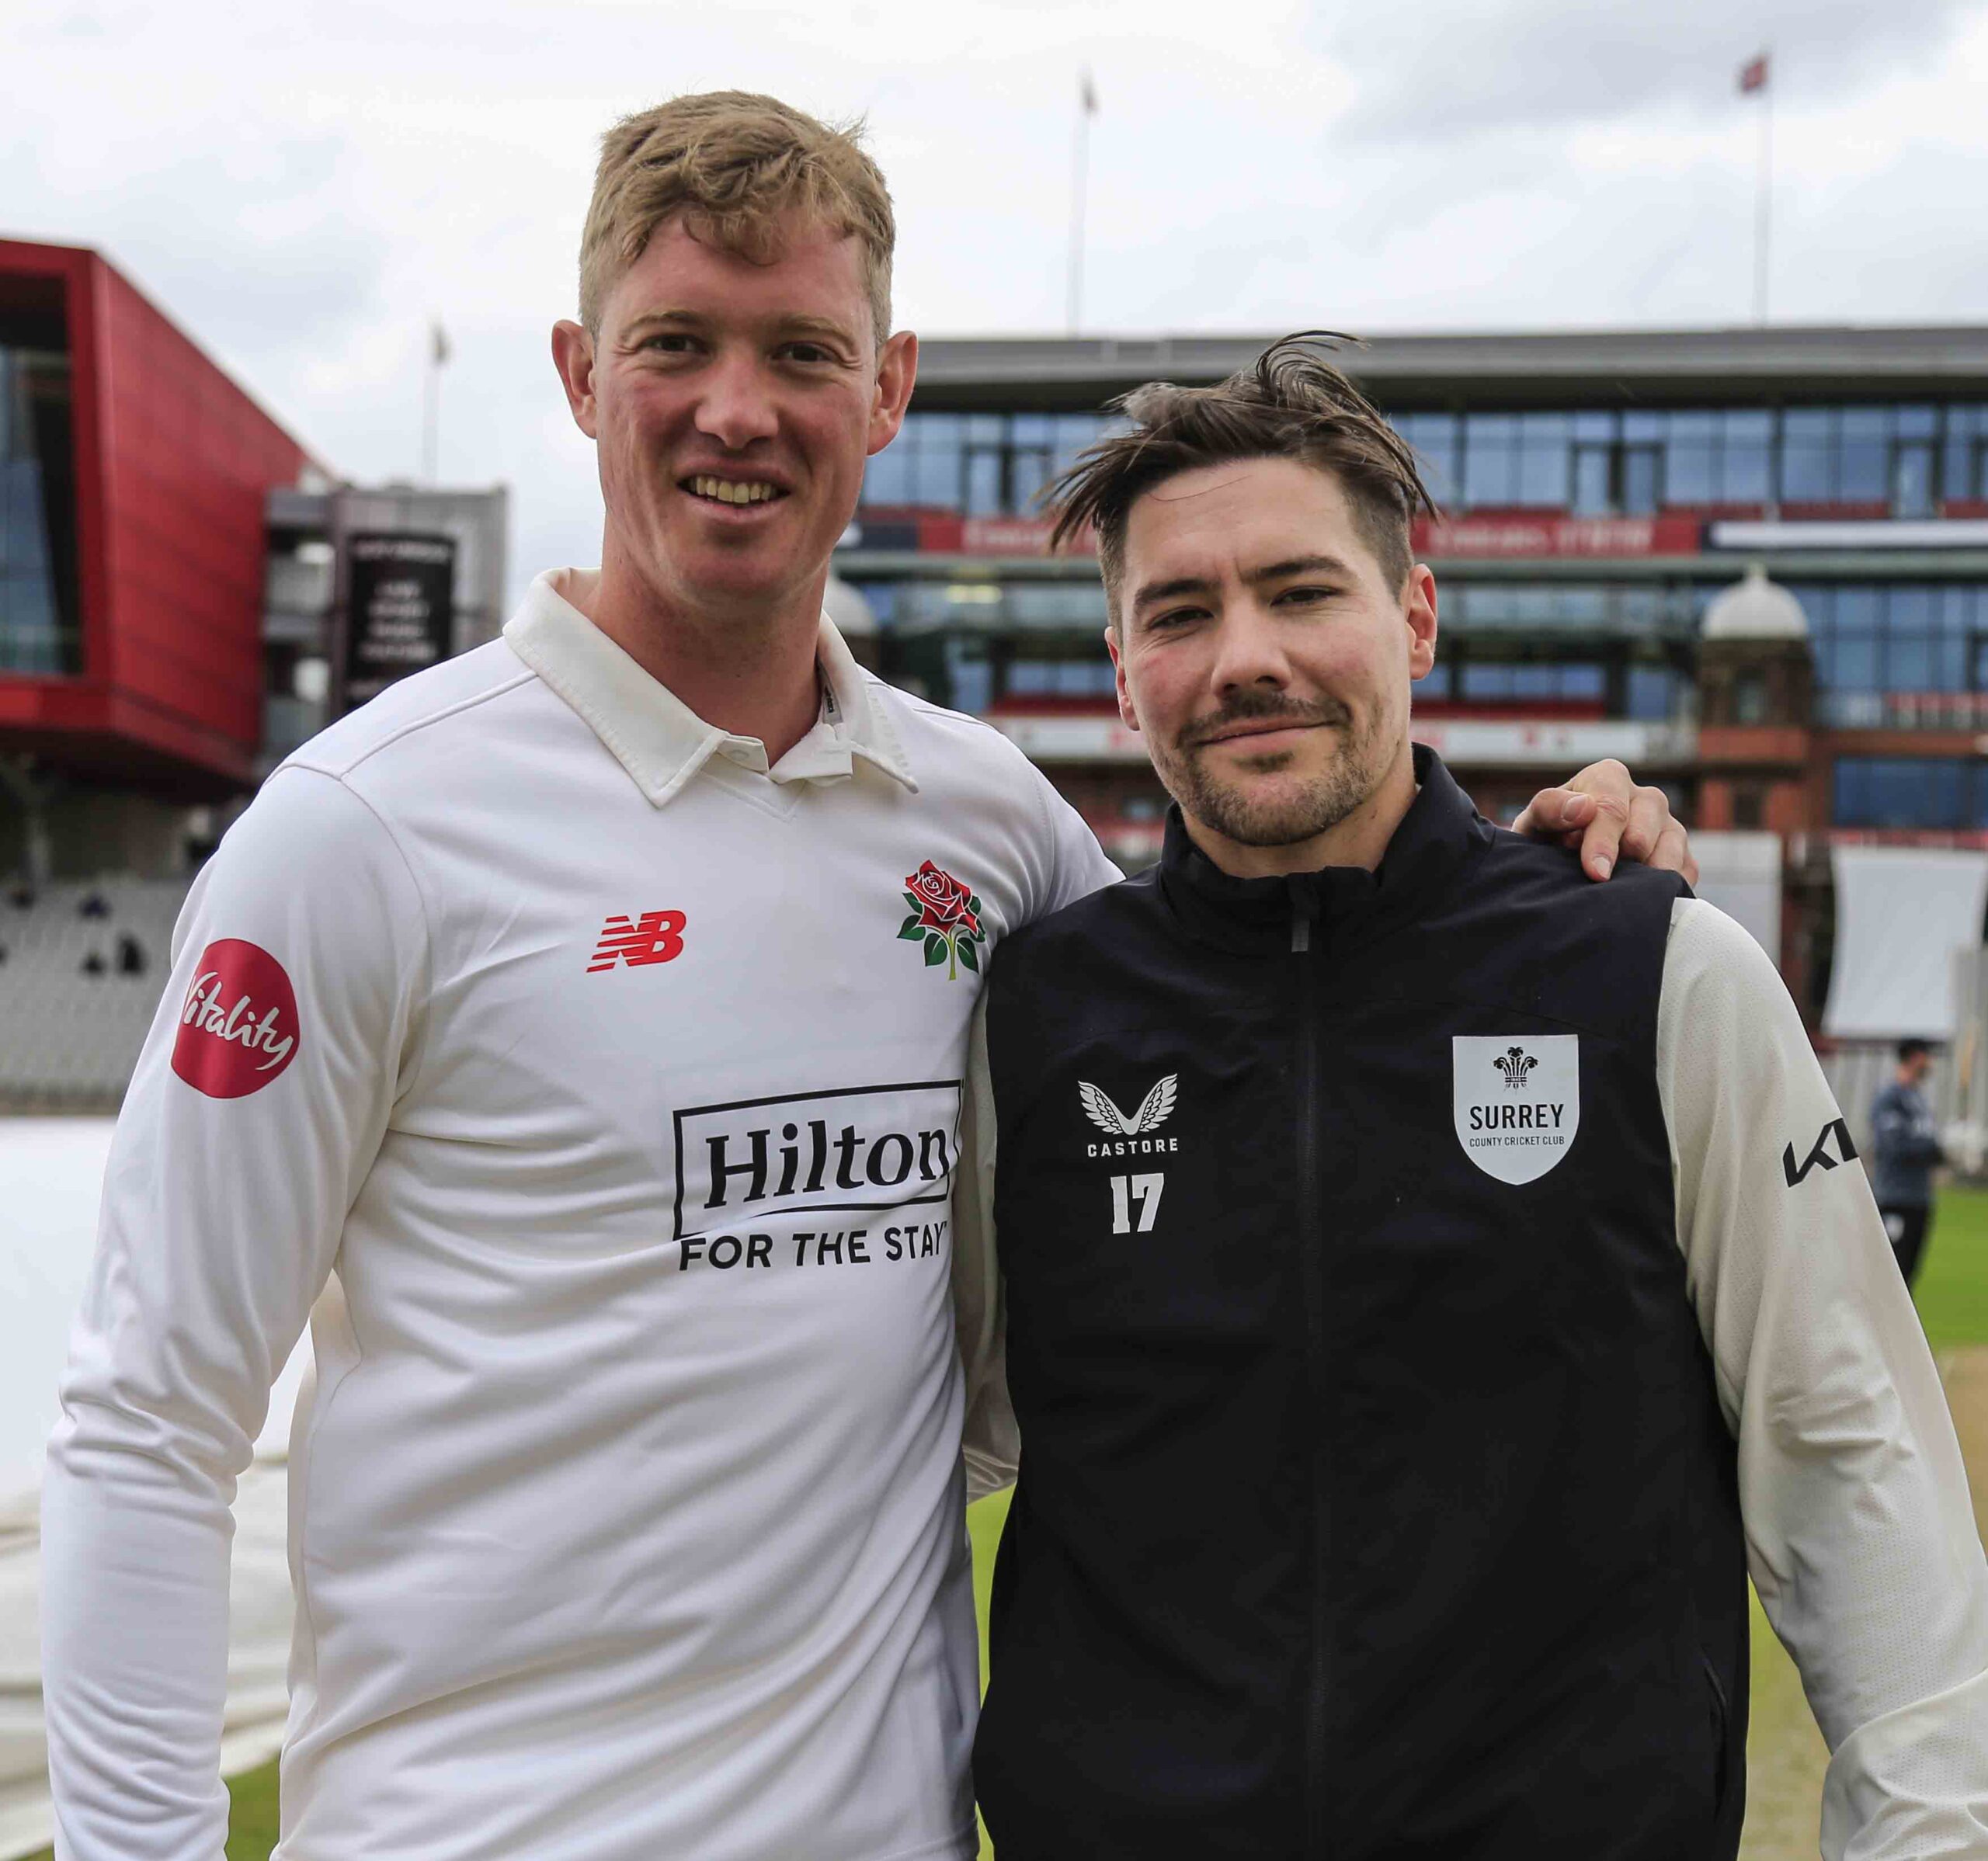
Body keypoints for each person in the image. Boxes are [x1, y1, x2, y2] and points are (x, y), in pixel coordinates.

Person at [40, 102, 1691, 1861]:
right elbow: (149, 1420)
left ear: (886, 389)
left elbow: (1268, 989)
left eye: (800, 353)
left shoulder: (985, 825)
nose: (734, 409)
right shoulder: (359, 832)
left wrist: (1523, 877)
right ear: (580, 377)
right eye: (672, 343)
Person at [956, 339, 1988, 1860]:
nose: (1243, 654)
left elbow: (1844, 1453)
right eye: (1178, 611)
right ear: (1122, 674)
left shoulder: (1657, 971)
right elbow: (921, 1436)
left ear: (1413, 617)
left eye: (1300, 590)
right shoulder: (1032, 1017)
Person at [1872, 1037, 1946, 1285]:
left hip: (1919, 1199)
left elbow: (1930, 1147)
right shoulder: (1889, 1099)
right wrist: (1929, 1148)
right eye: (1926, 1056)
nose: (1930, 1062)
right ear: (1914, 1057)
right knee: (1892, 1273)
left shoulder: (1919, 1100)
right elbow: (1894, 1146)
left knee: (1909, 1275)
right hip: (1895, 1198)